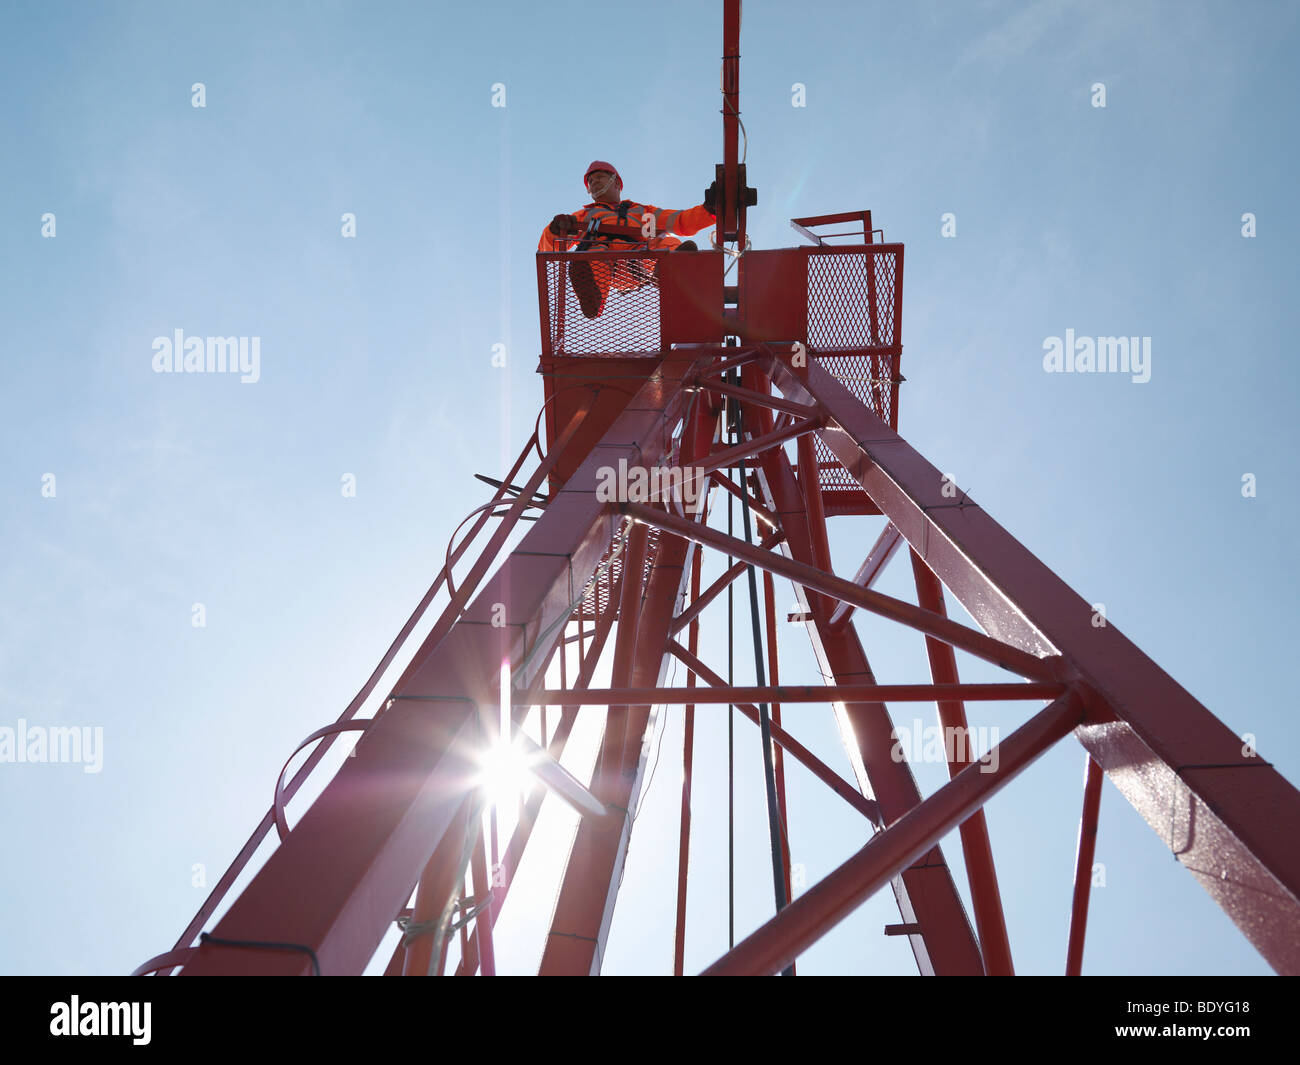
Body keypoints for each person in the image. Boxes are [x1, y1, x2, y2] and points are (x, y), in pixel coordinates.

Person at [538, 161, 715, 318]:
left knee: (660, 240)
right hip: (610, 265)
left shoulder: (642, 213)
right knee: (593, 253)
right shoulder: (586, 216)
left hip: (638, 261)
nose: (594, 182)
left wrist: (709, 210)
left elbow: (679, 221)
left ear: (616, 182)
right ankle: (592, 297)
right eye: (590, 181)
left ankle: (672, 267)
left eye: (599, 177)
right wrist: (554, 230)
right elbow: (551, 247)